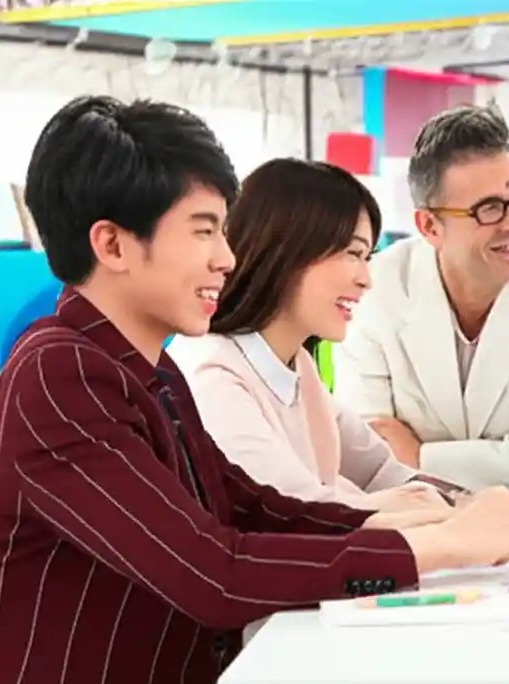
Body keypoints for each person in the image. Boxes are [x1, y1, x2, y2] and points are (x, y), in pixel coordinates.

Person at [0, 95, 509, 684]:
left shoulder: (149, 370)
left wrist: (416, 526)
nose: (227, 258)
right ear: (112, 244)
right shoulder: (60, 376)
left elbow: (251, 507)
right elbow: (213, 570)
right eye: (203, 230)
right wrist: (440, 547)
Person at [168, 159, 460, 511]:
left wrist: (468, 503)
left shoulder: (293, 364)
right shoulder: (211, 374)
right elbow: (299, 513)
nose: (366, 279)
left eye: (368, 256)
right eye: (353, 254)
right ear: (289, 251)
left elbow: (381, 470)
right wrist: (442, 515)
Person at [336, 104, 509, 489]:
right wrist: (505, 456)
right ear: (430, 226)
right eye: (488, 209)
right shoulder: (378, 288)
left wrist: (420, 456)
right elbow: (368, 451)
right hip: (412, 519)